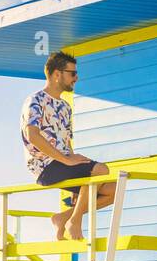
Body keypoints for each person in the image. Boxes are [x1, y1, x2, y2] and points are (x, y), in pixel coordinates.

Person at [21, 51, 116, 240]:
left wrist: (74, 160)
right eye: (72, 73)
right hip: (44, 165)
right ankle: (75, 221)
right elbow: (32, 136)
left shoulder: (65, 106)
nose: (76, 78)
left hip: (64, 163)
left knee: (113, 190)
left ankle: (63, 218)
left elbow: (66, 142)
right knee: (101, 169)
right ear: (57, 74)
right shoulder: (36, 100)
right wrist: (67, 160)